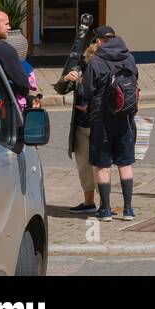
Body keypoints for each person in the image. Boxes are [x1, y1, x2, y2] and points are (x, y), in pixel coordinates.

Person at [85, 26, 139, 221]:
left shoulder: (96, 61)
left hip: (102, 119)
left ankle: (106, 210)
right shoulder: (129, 58)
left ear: (99, 41)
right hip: (125, 118)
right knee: (125, 164)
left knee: (103, 164)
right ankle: (128, 209)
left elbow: (86, 91)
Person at [54, 21, 99, 214]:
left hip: (101, 125)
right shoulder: (80, 69)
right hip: (82, 126)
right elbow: (61, 89)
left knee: (100, 166)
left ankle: (104, 204)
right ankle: (89, 203)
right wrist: (66, 79)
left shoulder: (109, 70)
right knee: (84, 165)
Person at [0, 9, 33, 108]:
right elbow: (22, 84)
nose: (9, 27)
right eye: (6, 24)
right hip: (0, 104)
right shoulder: (6, 50)